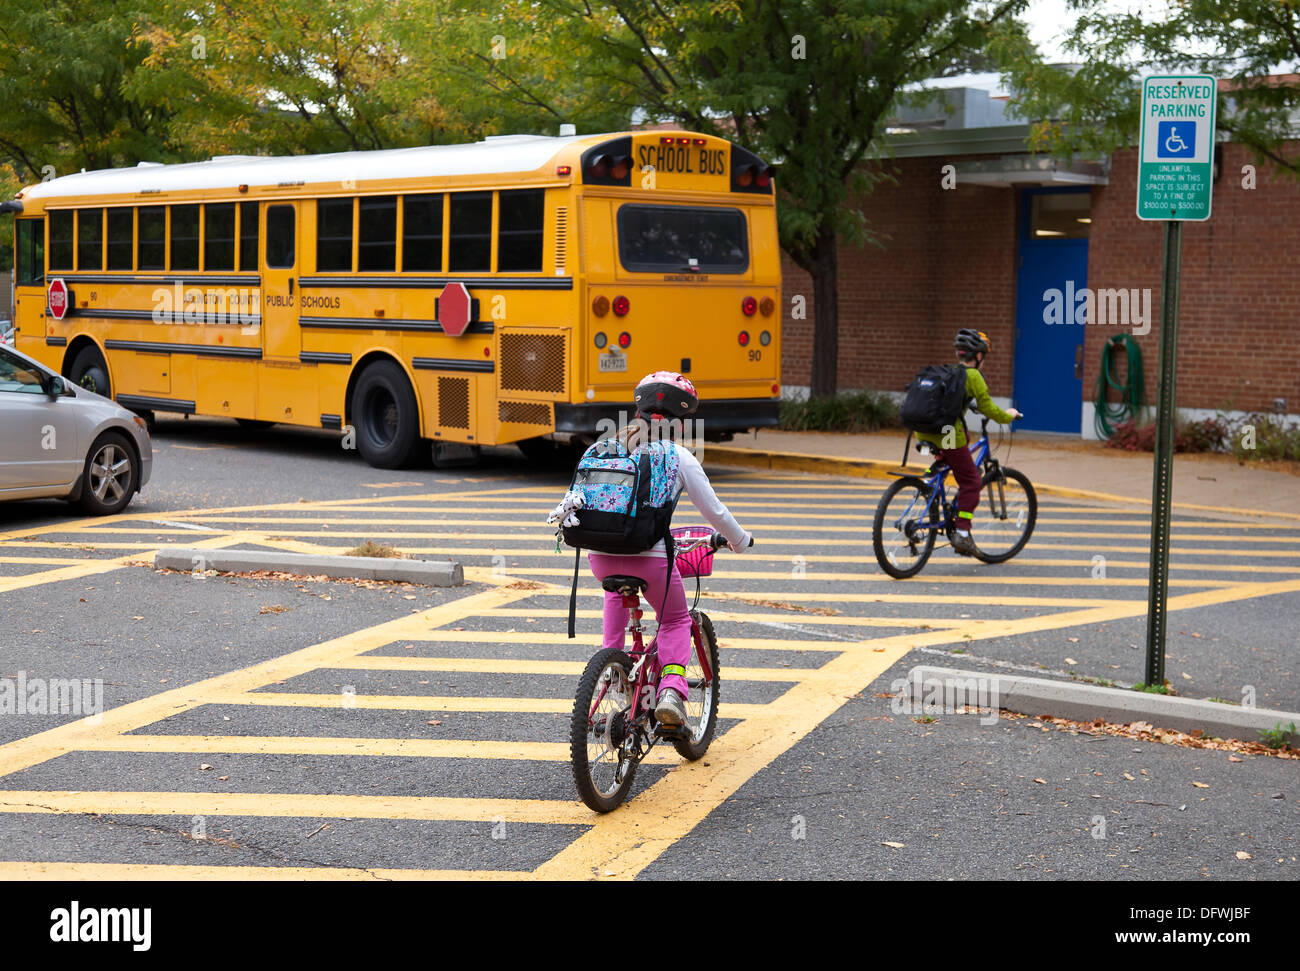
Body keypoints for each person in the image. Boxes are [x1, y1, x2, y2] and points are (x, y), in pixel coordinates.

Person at [589, 370, 751, 726]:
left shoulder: (602, 446)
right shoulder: (679, 457)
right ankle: (672, 691)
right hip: (651, 559)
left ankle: (611, 666)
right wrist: (740, 541)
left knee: (615, 593)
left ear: (637, 411)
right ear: (678, 423)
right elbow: (716, 512)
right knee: (675, 619)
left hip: (599, 556)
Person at [914, 329, 1021, 556]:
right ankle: (962, 532)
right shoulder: (973, 377)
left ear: (958, 354)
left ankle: (934, 473)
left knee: (961, 438)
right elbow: (988, 408)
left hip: (925, 431)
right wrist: (1008, 415)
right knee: (972, 480)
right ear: (979, 356)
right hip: (947, 435)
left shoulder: (949, 373)